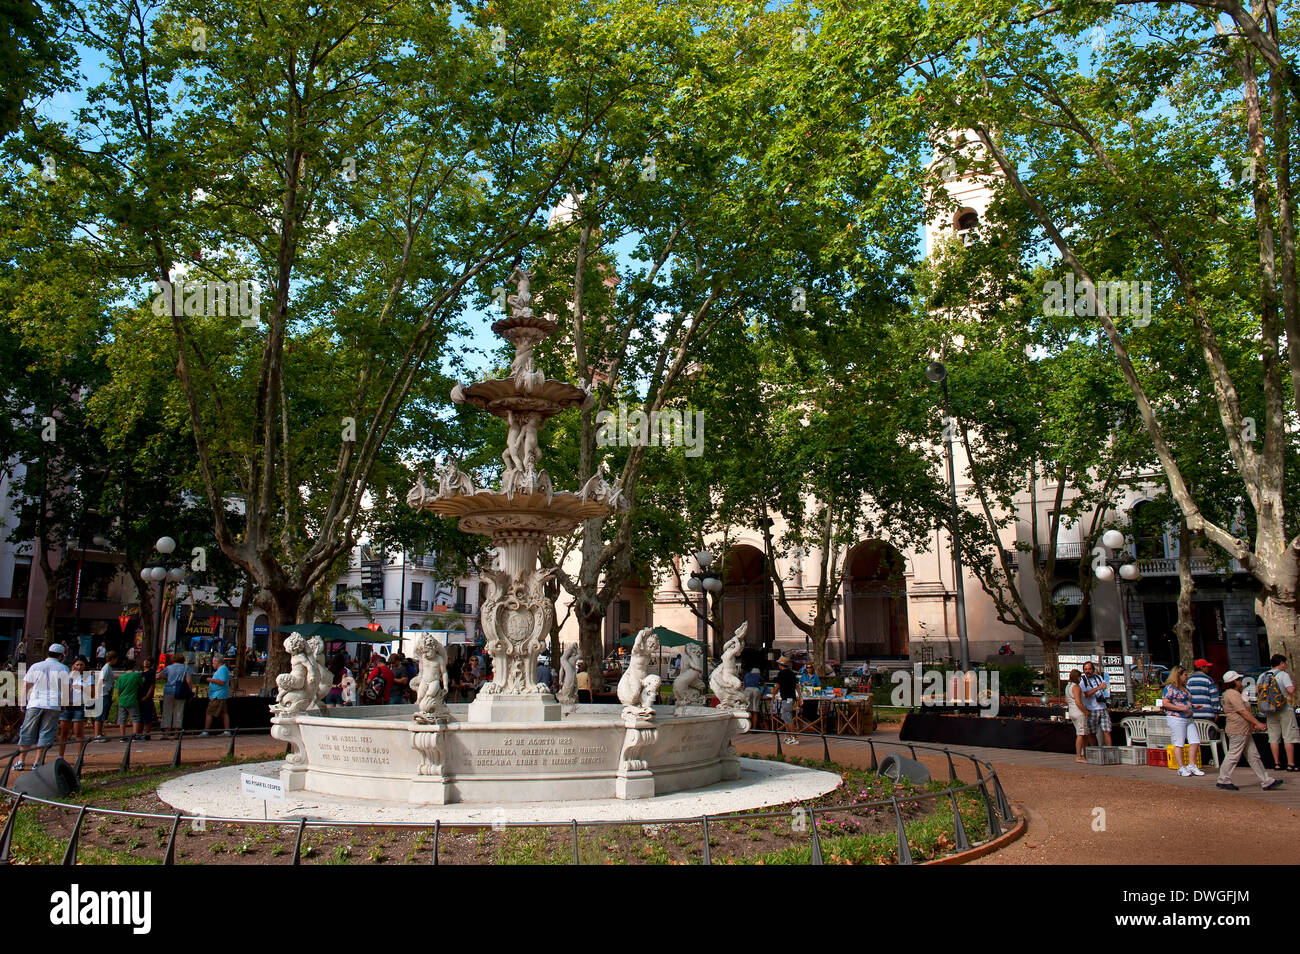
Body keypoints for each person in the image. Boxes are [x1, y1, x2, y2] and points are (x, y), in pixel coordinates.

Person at [1216, 670, 1282, 791]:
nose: (1241, 682)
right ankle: (1223, 779)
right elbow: (1243, 711)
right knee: (1234, 755)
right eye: (1238, 680)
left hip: (1243, 730)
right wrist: (1257, 723)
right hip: (1237, 730)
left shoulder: (1234, 693)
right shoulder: (1232, 694)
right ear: (1233, 681)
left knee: (1253, 756)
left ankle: (1266, 781)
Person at [14, 643, 70, 771]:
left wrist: (23, 702)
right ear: (61, 656)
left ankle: (21, 761)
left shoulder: (36, 666)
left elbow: (26, 685)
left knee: (27, 731)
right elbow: (67, 689)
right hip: (53, 704)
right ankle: (37, 763)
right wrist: (64, 705)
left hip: (35, 702)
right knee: (46, 733)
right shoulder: (64, 668)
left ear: (48, 653)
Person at [1162, 666, 1204, 777]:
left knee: (1195, 741)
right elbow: (1165, 703)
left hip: (1188, 717)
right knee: (1179, 743)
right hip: (1176, 718)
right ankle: (1181, 767)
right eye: (1185, 675)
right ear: (1178, 675)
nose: (1186, 677)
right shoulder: (1170, 688)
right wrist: (1181, 708)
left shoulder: (1184, 688)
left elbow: (1186, 702)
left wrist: (1193, 706)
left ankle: (1192, 764)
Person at [57, 655, 92, 758]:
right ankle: (60, 756)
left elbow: (92, 693)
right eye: (77, 664)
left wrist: (81, 688)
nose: (79, 667)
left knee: (78, 733)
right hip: (68, 706)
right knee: (64, 733)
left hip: (79, 706)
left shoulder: (88, 677)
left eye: (81, 665)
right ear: (73, 665)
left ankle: (79, 756)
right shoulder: (69, 676)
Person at [1079, 660, 1112, 747]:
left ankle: (1110, 751)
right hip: (1091, 709)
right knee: (1092, 733)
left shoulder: (1098, 677)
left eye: (1089, 669)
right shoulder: (1082, 681)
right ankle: (1096, 751)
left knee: (1107, 731)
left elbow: (1106, 688)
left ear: (1093, 669)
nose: (1087, 671)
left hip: (1102, 707)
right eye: (1085, 669)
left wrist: (1106, 689)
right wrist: (1097, 688)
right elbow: (1085, 695)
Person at [160, 653, 192, 738]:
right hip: (180, 691)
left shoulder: (168, 668)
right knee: (178, 712)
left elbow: (161, 675)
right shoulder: (186, 668)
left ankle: (166, 733)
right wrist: (190, 693)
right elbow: (188, 681)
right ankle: (176, 733)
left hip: (168, 691)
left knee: (167, 712)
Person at [114, 656, 145, 741]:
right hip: (132, 699)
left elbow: (118, 690)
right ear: (133, 666)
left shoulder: (121, 677)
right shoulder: (136, 675)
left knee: (122, 719)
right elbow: (141, 685)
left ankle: (122, 736)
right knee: (135, 718)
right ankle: (135, 735)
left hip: (122, 700)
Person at [200, 653, 233, 735]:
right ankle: (227, 730)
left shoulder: (222, 669)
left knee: (209, 712)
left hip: (218, 695)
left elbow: (222, 682)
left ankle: (206, 731)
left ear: (217, 662)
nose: (212, 664)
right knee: (223, 712)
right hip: (220, 694)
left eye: (213, 662)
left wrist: (210, 680)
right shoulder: (222, 669)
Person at [92, 650, 118, 741]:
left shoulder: (108, 668)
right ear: (113, 659)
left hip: (106, 693)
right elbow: (100, 681)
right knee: (100, 715)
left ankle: (100, 733)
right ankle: (97, 734)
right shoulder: (106, 668)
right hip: (103, 694)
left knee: (103, 715)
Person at [773, 657, 800, 745]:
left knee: (788, 718)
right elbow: (797, 685)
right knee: (786, 717)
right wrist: (800, 696)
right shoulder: (792, 673)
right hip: (790, 697)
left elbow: (778, 685)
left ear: (781, 665)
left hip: (787, 697)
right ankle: (788, 736)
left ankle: (794, 737)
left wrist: (774, 694)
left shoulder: (781, 673)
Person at [1066, 668, 1091, 762]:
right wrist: (1085, 711)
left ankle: (1084, 754)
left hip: (1072, 711)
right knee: (1081, 734)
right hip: (1079, 712)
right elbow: (1078, 702)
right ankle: (1079, 756)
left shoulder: (1067, 687)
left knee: (1084, 733)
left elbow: (1066, 700)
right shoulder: (1076, 687)